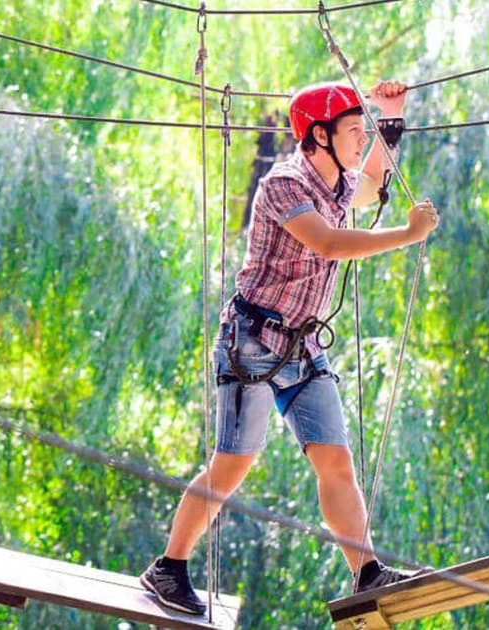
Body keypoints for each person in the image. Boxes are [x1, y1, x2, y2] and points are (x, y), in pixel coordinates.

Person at [139, 80, 439, 614]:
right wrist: (407, 235)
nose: (359, 140)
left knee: (336, 461)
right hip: (251, 344)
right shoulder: (284, 184)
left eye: (361, 131)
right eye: (352, 132)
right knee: (232, 465)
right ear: (318, 136)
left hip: (301, 349)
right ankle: (169, 568)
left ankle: (366, 573)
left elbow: (372, 178)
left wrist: (391, 116)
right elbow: (329, 241)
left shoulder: (338, 181)